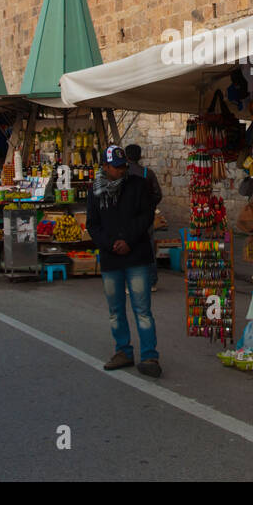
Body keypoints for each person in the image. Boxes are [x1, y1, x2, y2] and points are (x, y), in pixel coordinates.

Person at [88, 144, 160, 377]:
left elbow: (146, 216)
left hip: (136, 254)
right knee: (115, 309)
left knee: (142, 309)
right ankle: (123, 350)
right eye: (116, 167)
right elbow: (93, 224)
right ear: (106, 167)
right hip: (111, 258)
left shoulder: (138, 186)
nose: (120, 171)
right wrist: (110, 244)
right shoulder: (95, 191)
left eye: (123, 167)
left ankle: (149, 355)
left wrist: (128, 240)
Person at [125, 144, 163, 291]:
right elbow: (158, 195)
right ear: (140, 156)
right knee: (149, 247)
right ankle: (152, 281)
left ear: (126, 157)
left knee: (130, 249)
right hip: (146, 217)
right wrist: (149, 207)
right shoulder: (148, 173)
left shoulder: (123, 173)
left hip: (128, 218)